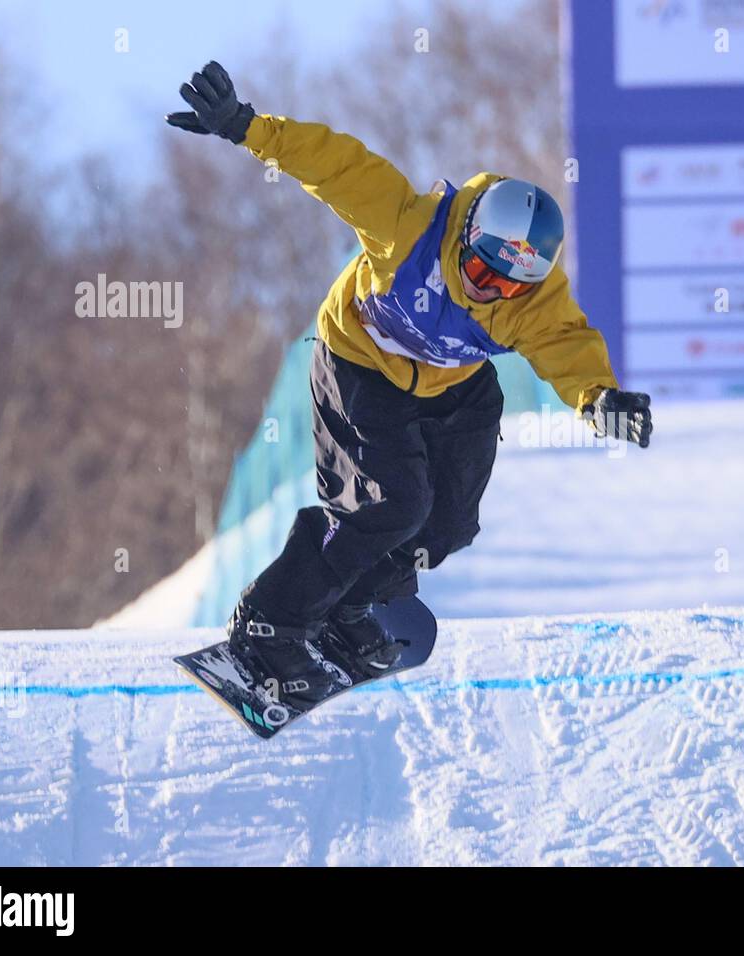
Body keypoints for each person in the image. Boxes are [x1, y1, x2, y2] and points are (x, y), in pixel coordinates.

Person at [166, 62, 652, 701]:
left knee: (448, 522)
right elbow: (334, 165)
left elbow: (566, 344)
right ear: (469, 234)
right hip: (363, 364)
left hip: (455, 384)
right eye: (482, 269)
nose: (489, 289)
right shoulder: (409, 225)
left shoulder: (531, 299)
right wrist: (244, 126)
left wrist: (600, 399)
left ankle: (352, 606)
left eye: (509, 285)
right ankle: (273, 616)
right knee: (390, 505)